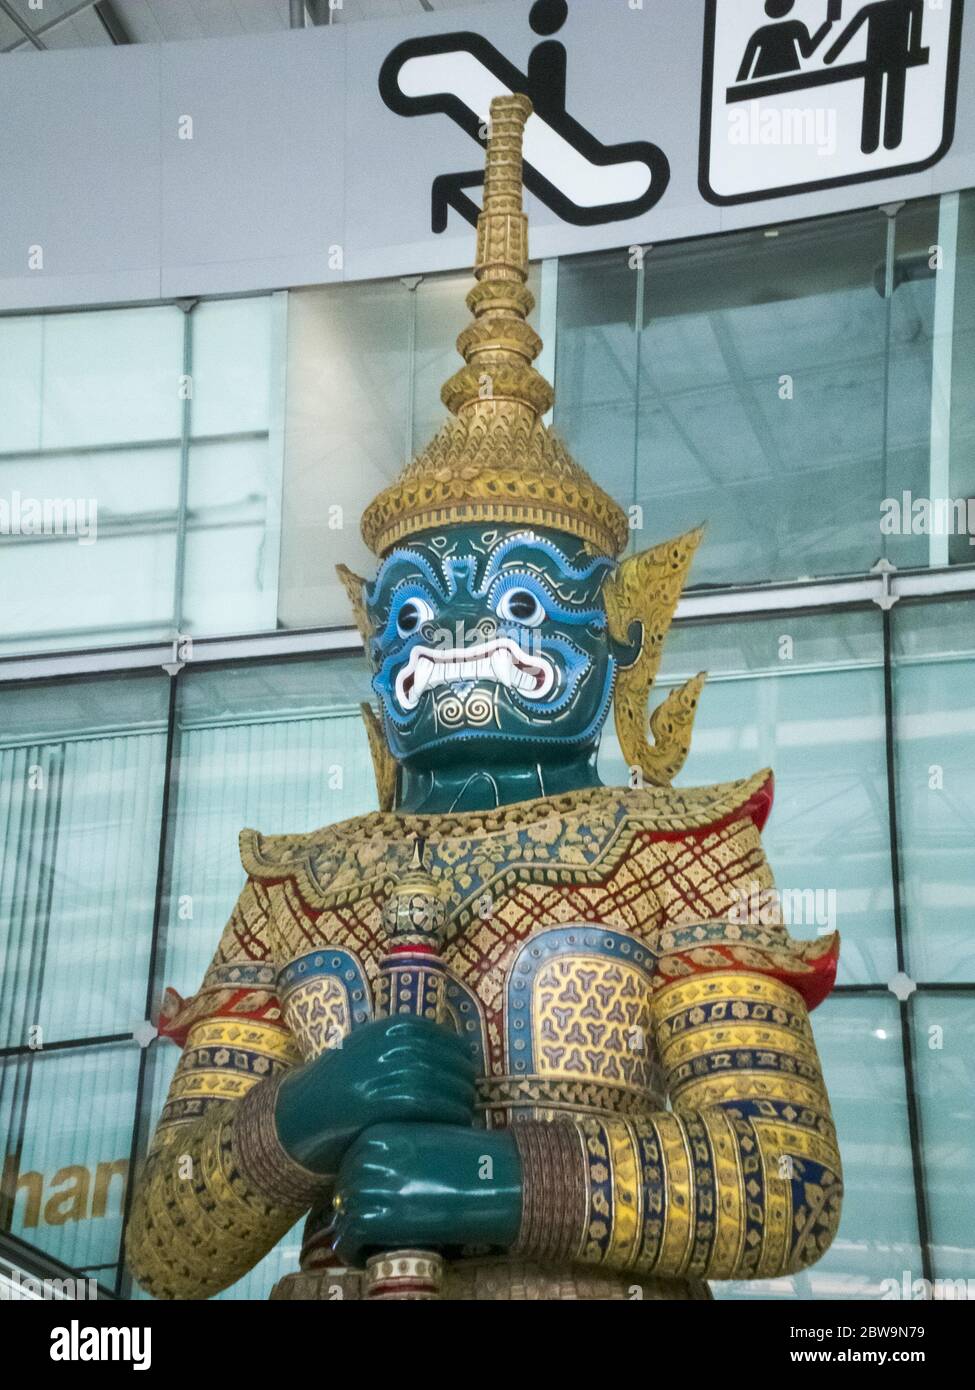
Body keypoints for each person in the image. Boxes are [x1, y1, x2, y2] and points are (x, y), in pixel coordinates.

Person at [824, 0, 926, 152]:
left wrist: (916, 48)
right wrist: (832, 53)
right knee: (876, 96)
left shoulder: (903, 4)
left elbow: (917, 19)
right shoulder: (876, 7)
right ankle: (873, 142)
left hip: (894, 58)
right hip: (878, 60)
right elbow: (855, 24)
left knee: (892, 95)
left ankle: (890, 140)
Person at [737, 0, 840, 81]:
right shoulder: (795, 26)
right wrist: (826, 26)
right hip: (787, 74)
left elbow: (744, 70)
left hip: (768, 78)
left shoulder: (761, 32)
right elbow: (807, 52)